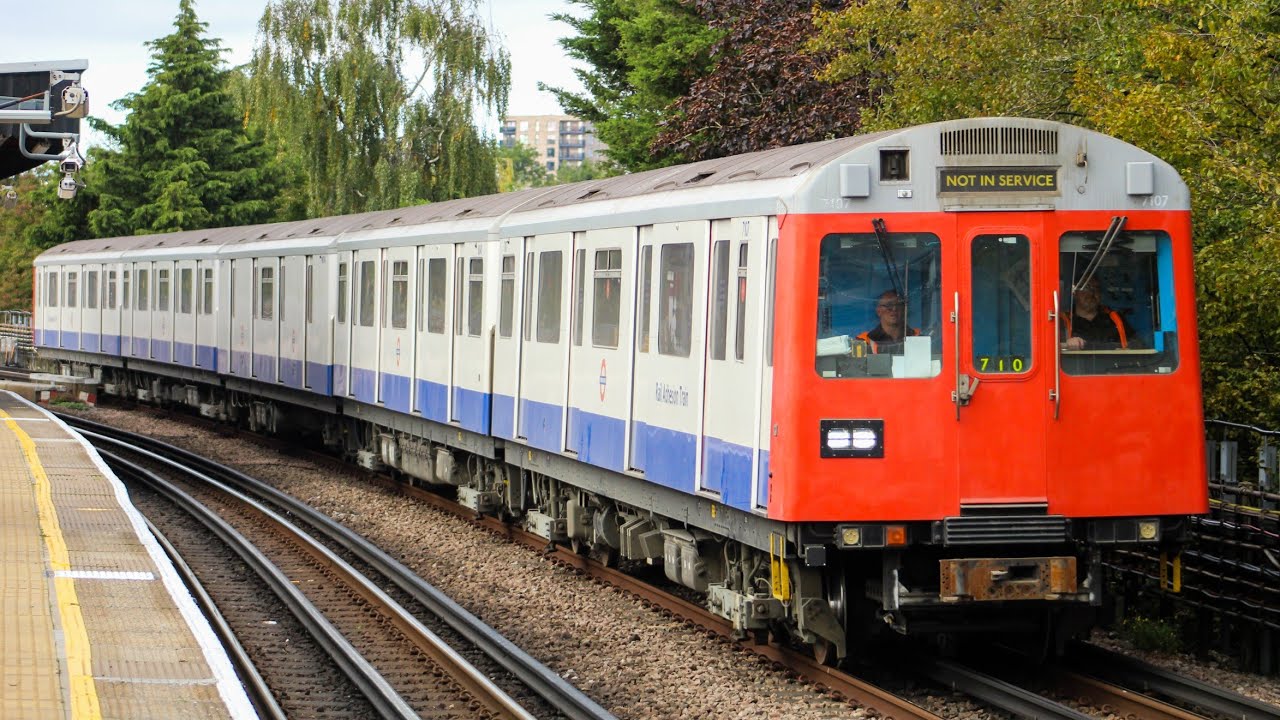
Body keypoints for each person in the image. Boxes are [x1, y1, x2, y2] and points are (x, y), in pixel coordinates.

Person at [1064, 278, 1134, 350]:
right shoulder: (1063, 321)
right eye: (1086, 288)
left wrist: (1127, 348)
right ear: (1074, 293)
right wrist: (1067, 344)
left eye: (1096, 288)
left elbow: (1137, 345)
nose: (1092, 293)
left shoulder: (1115, 319)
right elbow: (1054, 348)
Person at [856, 290, 920, 354]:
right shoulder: (864, 341)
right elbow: (858, 363)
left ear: (904, 310)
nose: (894, 309)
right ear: (878, 311)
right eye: (888, 305)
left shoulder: (918, 337)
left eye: (898, 305)